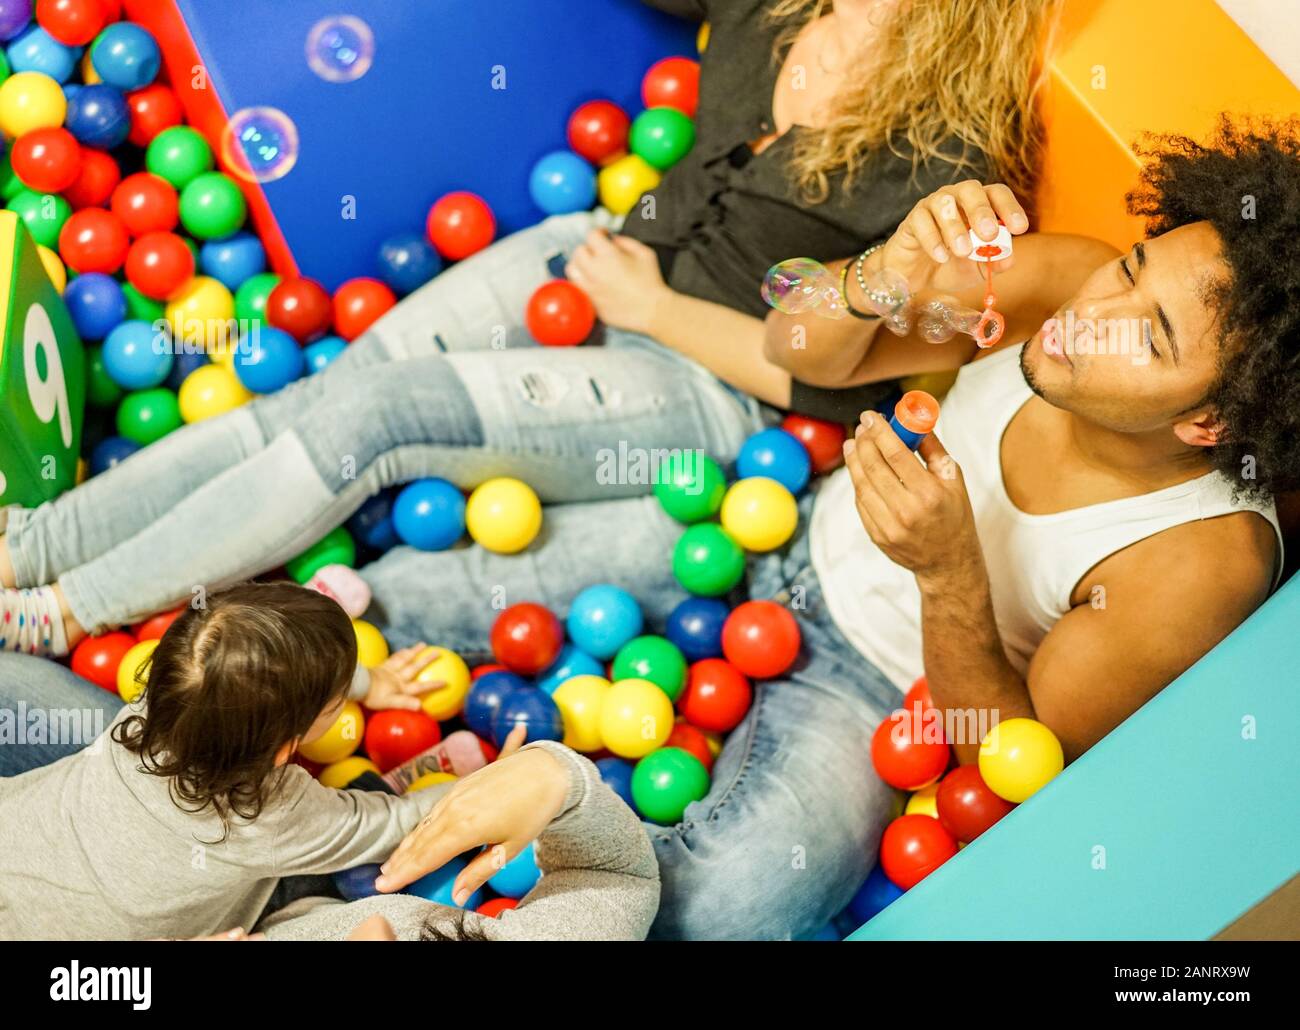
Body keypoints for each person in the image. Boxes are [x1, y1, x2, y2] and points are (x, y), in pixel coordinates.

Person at [343, 119, 1298, 939]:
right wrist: (886, 270)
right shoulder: (1067, 284)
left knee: (734, 902)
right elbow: (790, 345)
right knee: (393, 601)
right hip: (767, 522)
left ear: (1209, 424)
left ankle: (520, 839)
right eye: (1133, 270)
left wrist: (950, 573)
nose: (1099, 314)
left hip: (884, 695)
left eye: (1152, 334)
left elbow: (1010, 761)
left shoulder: (1200, 561)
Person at [0, 0, 1058, 653]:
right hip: (600, 247)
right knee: (317, 397)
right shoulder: (780, 8)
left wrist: (654, 309)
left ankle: (67, 610)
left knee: (374, 413)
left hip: (708, 383)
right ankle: (33, 548)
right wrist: (624, 275)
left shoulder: (951, 151)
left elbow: (832, 379)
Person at [0, 582, 507, 940]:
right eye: (335, 703)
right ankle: (398, 772)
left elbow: (242, 674)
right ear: (286, 748)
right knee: (336, 881)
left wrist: (369, 682)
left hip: (15, 861)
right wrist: (500, 780)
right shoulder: (274, 815)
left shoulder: (159, 701)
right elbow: (397, 822)